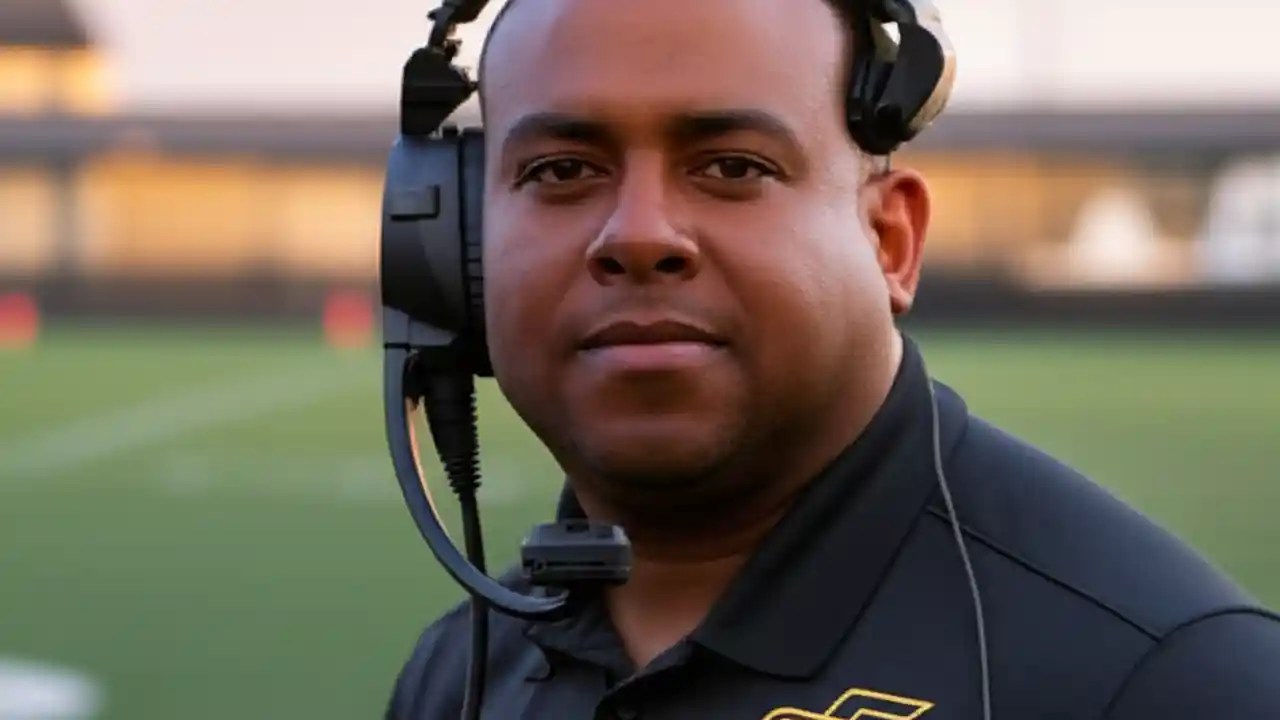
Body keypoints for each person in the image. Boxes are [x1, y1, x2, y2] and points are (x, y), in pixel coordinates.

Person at [386, 0, 1280, 717]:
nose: (640, 235)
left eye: (733, 167)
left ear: (889, 240)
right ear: (456, 254)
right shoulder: (459, 675)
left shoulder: (1175, 680)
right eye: (560, 172)